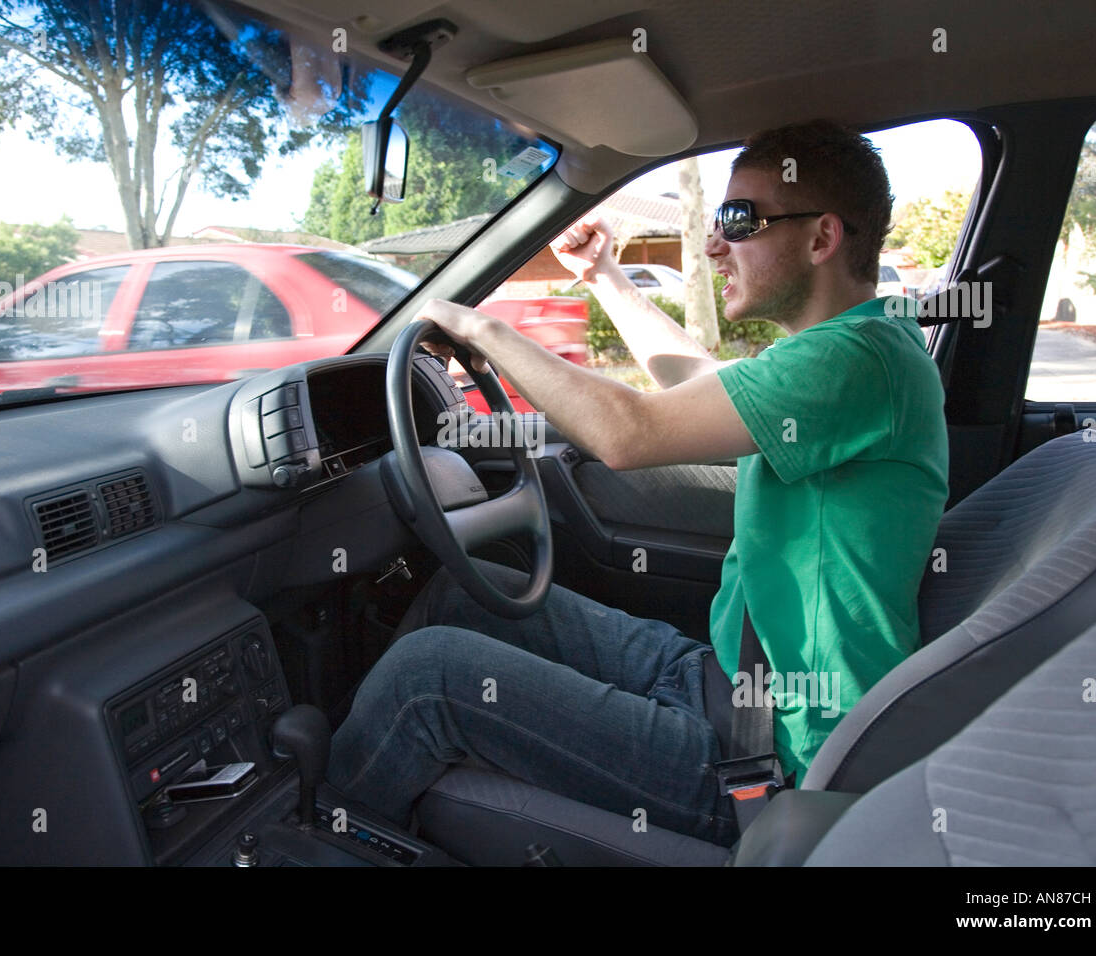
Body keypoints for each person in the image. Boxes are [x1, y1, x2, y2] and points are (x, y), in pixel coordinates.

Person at [324, 119, 950, 846]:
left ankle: (316, 839)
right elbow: (691, 384)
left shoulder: (856, 359)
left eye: (739, 220)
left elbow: (628, 433)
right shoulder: (854, 353)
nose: (714, 243)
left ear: (821, 239)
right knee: (458, 593)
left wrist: (484, 331)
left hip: (779, 756)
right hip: (727, 686)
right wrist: (605, 277)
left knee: (424, 678)